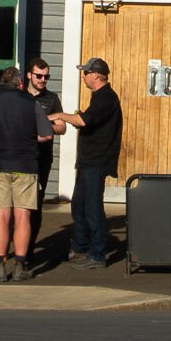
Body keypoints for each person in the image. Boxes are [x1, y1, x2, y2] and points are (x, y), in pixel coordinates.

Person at [0, 66, 52, 281]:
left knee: (1, 215)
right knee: (23, 215)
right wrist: (29, 138)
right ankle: (20, 264)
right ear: (19, 83)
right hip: (26, 164)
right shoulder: (31, 104)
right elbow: (47, 135)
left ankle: (0, 264)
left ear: (1, 84)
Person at [52, 58, 121, 268]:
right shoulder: (98, 97)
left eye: (86, 73)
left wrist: (59, 115)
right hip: (87, 162)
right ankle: (81, 248)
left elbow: (83, 121)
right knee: (79, 206)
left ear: (97, 75)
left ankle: (98, 254)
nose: (83, 77)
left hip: (96, 162)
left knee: (92, 208)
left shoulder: (106, 97)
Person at [25, 57, 66, 202]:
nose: (43, 80)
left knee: (37, 197)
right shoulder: (20, 95)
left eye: (46, 76)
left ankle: (34, 225)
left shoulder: (52, 98)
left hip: (43, 155)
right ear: (29, 75)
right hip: (21, 155)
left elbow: (61, 127)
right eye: (39, 76)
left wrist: (43, 127)